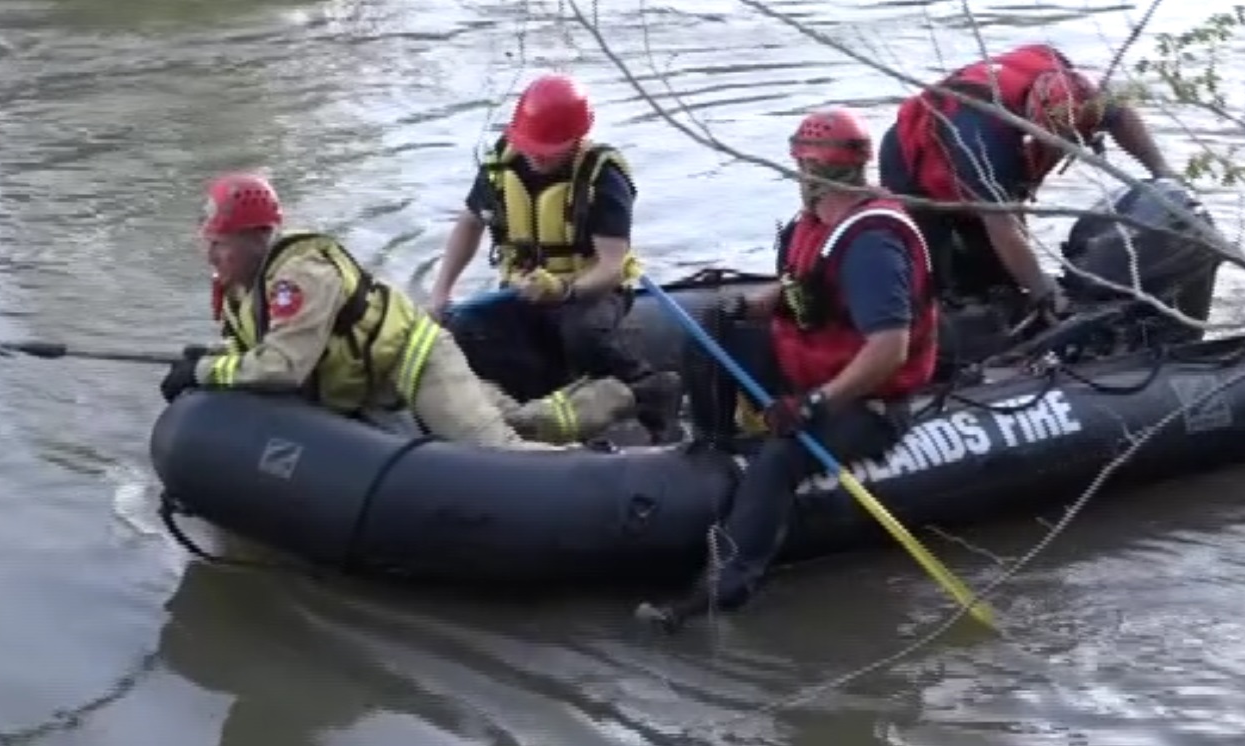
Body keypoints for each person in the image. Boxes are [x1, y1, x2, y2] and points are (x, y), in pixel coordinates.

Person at [636, 108, 940, 632]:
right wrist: (747, 308)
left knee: (780, 460)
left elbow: (890, 346)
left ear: (814, 170)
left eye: (801, 166)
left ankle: (726, 587)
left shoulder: (871, 244)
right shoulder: (822, 221)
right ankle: (715, 447)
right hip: (812, 363)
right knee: (711, 331)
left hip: (865, 399)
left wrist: (816, 405)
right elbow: (801, 284)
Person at [159, 171, 635, 448]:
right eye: (210, 244)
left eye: (220, 245)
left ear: (254, 238)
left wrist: (205, 371)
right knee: (520, 421)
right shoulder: (243, 286)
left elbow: (283, 366)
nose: (211, 256)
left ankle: (610, 457)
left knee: (497, 450)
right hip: (373, 380)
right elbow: (260, 345)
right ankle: (618, 397)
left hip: (414, 363)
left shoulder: (299, 276)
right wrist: (215, 354)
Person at [427, 72, 682, 443]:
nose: (535, 157)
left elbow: (611, 266)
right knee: (466, 332)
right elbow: (469, 225)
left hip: (589, 290)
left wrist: (563, 291)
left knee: (582, 334)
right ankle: (528, 406)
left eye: (547, 151)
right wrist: (440, 293)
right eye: (529, 146)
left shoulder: (602, 177)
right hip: (521, 289)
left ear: (576, 141)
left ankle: (650, 390)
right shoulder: (504, 164)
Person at [879, 42, 1176, 324]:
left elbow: (1120, 116)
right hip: (913, 168)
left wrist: (1162, 171)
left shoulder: (1074, 88)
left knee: (1002, 282)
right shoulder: (981, 138)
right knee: (937, 282)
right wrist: (1045, 292)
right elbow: (1002, 226)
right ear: (1033, 123)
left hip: (985, 160)